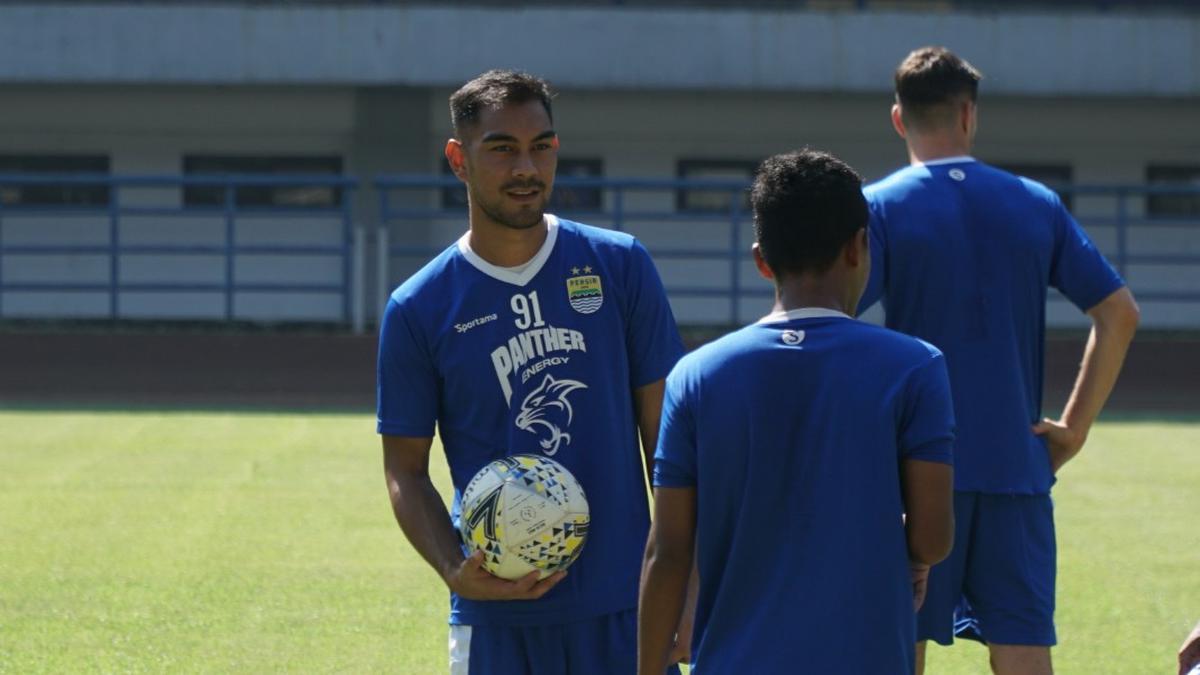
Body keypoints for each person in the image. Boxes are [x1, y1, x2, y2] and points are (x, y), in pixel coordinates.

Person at [377, 70, 687, 674]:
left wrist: (688, 578)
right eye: (502, 148)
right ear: (458, 159)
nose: (526, 167)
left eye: (540, 146)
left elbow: (669, 444)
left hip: (627, 607)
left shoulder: (619, 266)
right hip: (497, 622)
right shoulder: (419, 308)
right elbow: (404, 472)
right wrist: (452, 568)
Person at [858, 46, 1141, 674]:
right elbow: (1120, 313)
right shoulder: (1035, 201)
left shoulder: (877, 207)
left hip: (917, 470)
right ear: (969, 114)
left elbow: (837, 319)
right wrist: (1071, 431)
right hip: (1017, 468)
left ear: (899, 119)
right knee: (1023, 653)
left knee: (896, 649)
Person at [638, 149, 956, 674]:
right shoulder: (915, 367)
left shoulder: (694, 377)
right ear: (860, 248)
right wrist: (911, 549)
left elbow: (667, 552)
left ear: (762, 260)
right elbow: (931, 537)